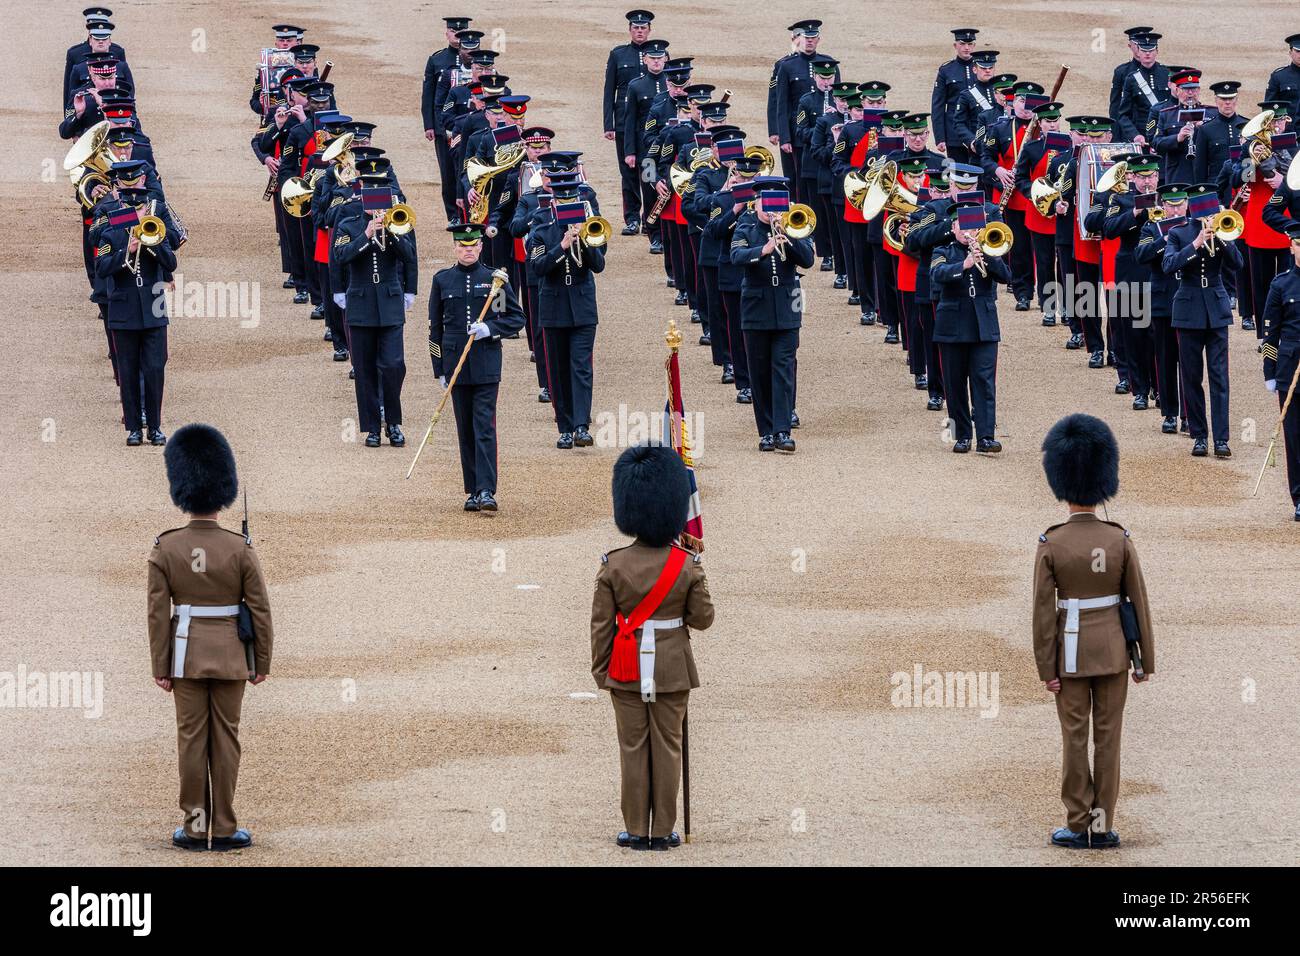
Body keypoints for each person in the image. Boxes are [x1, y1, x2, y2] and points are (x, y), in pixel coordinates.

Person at [150, 424, 273, 851]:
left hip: (184, 655)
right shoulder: (239, 548)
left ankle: (193, 824)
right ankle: (222, 827)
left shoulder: (165, 548)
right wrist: (261, 663)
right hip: (232, 658)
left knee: (191, 741)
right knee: (227, 738)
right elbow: (260, 611)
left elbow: (156, 615)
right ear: (223, 491)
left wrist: (160, 666)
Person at [1033, 413, 1154, 849]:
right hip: (1114, 651)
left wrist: (1046, 667)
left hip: (1069, 652)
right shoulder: (1119, 538)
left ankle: (1078, 822)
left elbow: (1044, 614)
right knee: (1109, 738)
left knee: (1074, 738)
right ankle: (1102, 826)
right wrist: (1144, 660)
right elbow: (1137, 602)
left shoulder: (1052, 543)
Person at [590, 444, 714, 851]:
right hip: (673, 667)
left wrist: (601, 671)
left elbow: (601, 626)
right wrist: (698, 568)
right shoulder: (685, 564)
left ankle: (635, 831)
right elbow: (702, 619)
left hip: (624, 666)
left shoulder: (614, 563)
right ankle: (663, 831)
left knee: (632, 747)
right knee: (668, 746)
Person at [428, 223, 526, 512]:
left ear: (481, 246)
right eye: (462, 245)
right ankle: (471, 489)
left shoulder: (493, 281)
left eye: (473, 245)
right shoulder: (443, 280)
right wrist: (440, 370)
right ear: (455, 247)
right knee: (465, 429)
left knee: (484, 426)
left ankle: (486, 490)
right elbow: (435, 329)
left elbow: (514, 319)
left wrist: (489, 328)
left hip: (485, 364)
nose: (468, 250)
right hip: (456, 364)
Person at [333, 169, 418, 448]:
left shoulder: (399, 222)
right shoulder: (348, 224)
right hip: (361, 304)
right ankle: (372, 427)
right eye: (372, 197)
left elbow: (409, 256)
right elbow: (341, 256)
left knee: (394, 365)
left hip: (390, 304)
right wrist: (367, 235)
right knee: (365, 369)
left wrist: (391, 233)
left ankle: (393, 421)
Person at [730, 180, 813, 452]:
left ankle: (782, 430)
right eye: (767, 203)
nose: (771, 209)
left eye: (777, 203)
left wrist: (786, 234)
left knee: (784, 369)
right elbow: (737, 256)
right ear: (756, 204)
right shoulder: (746, 227)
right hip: (756, 309)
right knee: (760, 371)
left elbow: (808, 260)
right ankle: (765, 431)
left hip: (788, 308)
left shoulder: (794, 224)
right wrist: (763, 250)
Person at [1162, 183, 1242, 458]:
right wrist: (1196, 243)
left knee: (1219, 377)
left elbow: (1238, 264)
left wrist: (1219, 237)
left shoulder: (1223, 229)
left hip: (1216, 308)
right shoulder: (1177, 232)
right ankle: (1199, 435)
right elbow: (1169, 265)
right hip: (1188, 307)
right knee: (1192, 376)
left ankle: (1221, 438)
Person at [528, 173, 605, 449]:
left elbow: (598, 265)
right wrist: (561, 247)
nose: (568, 202)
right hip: (553, 307)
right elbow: (536, 268)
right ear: (554, 203)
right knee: (558, 370)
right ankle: (565, 426)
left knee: (581, 368)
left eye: (572, 198)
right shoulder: (542, 229)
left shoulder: (590, 227)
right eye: (563, 199)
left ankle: (582, 425)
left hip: (582, 307)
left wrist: (583, 239)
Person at [94, 183, 175, 446]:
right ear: (125, 210)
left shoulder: (155, 229)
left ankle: (155, 426)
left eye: (140, 208)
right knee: (128, 370)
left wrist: (151, 244)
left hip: (153, 309)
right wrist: (125, 251)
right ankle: (134, 428)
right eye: (133, 209)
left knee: (154, 368)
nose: (139, 214)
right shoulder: (111, 233)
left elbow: (171, 262)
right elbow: (102, 267)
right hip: (123, 310)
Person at [930, 199, 1010, 454]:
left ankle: (986, 436)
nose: (967, 231)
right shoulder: (942, 251)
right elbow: (937, 274)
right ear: (953, 227)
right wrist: (963, 265)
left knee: (984, 382)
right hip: (952, 325)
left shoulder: (989, 249)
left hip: (983, 326)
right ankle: (961, 435)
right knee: (954, 385)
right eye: (960, 225)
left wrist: (986, 255)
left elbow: (1006, 276)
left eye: (972, 226)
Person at [1259, 221, 1300, 521]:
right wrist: (1270, 371)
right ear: (1291, 247)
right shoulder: (1281, 284)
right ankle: (1299, 496)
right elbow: (1270, 334)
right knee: (1294, 436)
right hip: (1291, 367)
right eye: (1299, 244)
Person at [603, 10, 655, 234]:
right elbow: (609, 91)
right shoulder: (618, 55)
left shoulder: (659, 54)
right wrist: (609, 124)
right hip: (625, 122)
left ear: (649, 30)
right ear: (630, 30)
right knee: (629, 171)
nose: (640, 31)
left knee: (650, 171)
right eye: (636, 28)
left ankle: (650, 218)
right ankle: (632, 218)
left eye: (643, 28)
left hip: (651, 124)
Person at [1264, 34, 1300, 120]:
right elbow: (1269, 108)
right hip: (1288, 130)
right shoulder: (1279, 77)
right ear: (1290, 53)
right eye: (1298, 51)